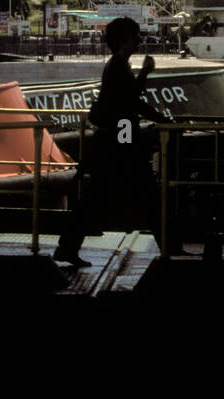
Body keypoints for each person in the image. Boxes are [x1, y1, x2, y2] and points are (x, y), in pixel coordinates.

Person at [54, 17, 169, 267]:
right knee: (148, 193)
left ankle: (67, 246)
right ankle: (170, 248)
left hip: (115, 140)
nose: (139, 40)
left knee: (99, 196)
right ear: (124, 40)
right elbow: (131, 99)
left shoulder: (117, 65)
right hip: (120, 141)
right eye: (135, 36)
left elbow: (130, 100)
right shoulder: (118, 66)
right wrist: (147, 73)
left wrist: (159, 116)